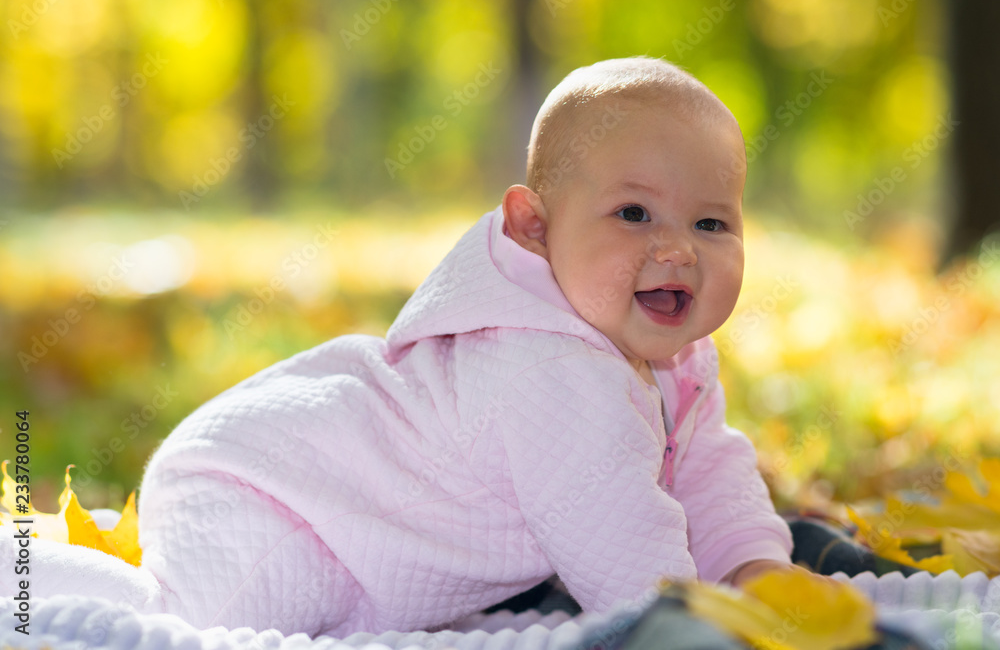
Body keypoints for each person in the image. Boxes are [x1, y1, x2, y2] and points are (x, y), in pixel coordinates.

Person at [3, 56, 801, 637]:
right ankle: (23, 576)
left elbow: (708, 468)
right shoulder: (554, 370)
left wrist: (756, 565)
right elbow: (631, 558)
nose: (677, 250)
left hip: (345, 522)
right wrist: (705, 621)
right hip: (285, 503)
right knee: (181, 619)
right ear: (532, 225)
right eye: (634, 214)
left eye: (711, 222)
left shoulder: (677, 361)